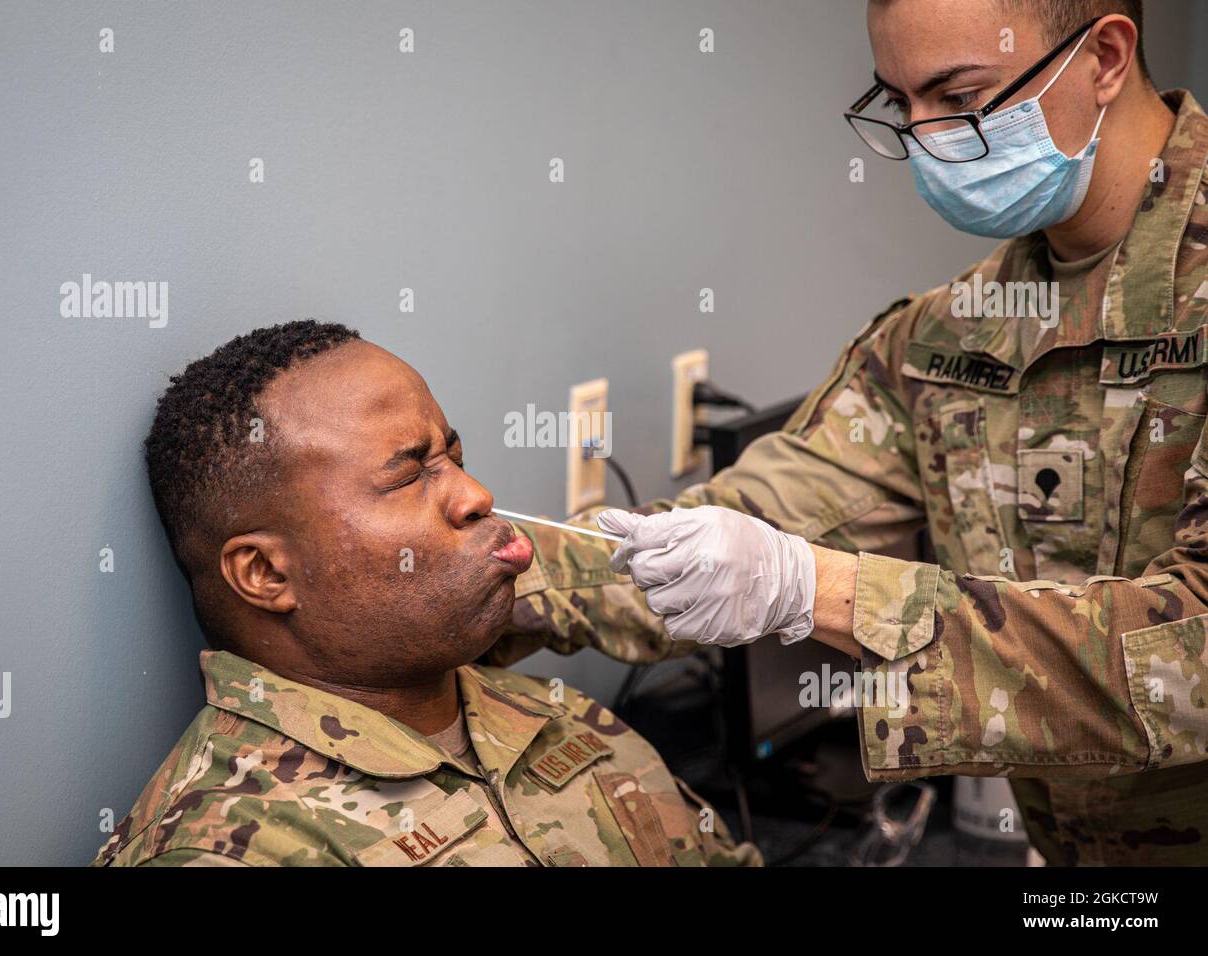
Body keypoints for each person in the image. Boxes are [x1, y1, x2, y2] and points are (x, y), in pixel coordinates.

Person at [496, 0, 1208, 865]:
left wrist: (812, 589)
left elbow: (1194, 656)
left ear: (1103, 56)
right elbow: (773, 506)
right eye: (900, 103)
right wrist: (493, 577)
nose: (924, 139)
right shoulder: (950, 338)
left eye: (958, 95)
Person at [91, 321, 758, 867]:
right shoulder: (234, 847)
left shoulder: (557, 719)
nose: (475, 496)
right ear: (266, 574)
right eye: (410, 477)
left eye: (455, 459)